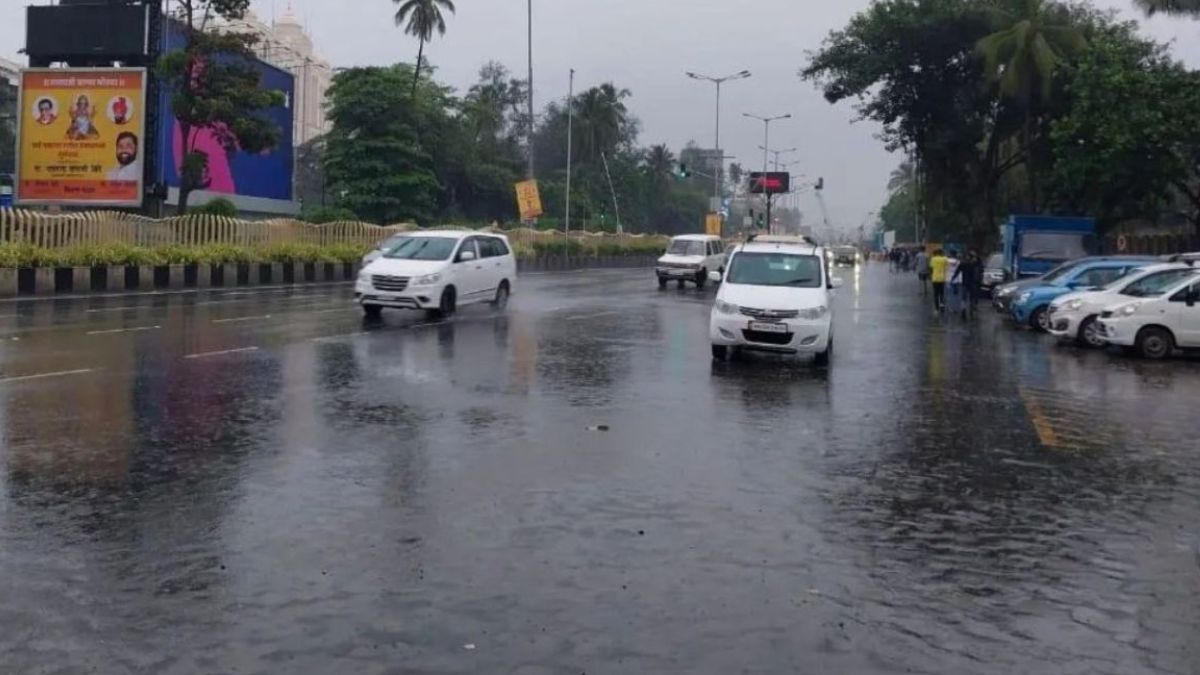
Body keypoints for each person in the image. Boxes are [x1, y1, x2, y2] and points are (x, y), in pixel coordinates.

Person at [954, 250, 983, 316]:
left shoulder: (963, 263)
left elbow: (957, 271)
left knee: (964, 297)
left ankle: (963, 309)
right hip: (973, 283)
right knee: (971, 297)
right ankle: (971, 310)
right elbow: (980, 266)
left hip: (965, 283)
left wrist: (953, 278)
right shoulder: (974, 264)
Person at [929, 248, 948, 313]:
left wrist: (930, 276)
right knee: (941, 293)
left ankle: (936, 308)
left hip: (935, 278)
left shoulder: (933, 259)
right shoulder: (944, 259)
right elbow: (947, 267)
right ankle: (942, 304)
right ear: (941, 253)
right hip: (942, 278)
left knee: (936, 294)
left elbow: (931, 268)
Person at [945, 250, 963, 317]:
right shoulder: (958, 261)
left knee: (949, 294)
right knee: (956, 295)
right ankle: (956, 308)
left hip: (948, 279)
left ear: (950, 254)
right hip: (957, 279)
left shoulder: (947, 261)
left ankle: (950, 308)